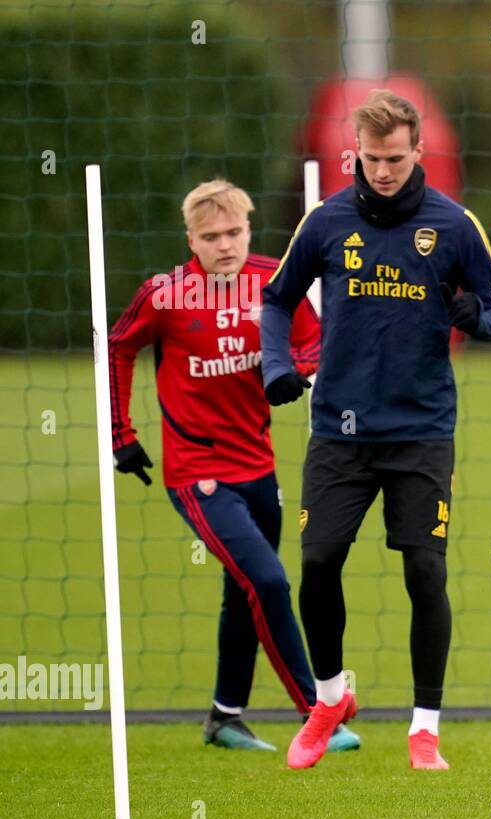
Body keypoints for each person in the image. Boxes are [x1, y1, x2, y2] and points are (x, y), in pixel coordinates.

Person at [260, 89, 491, 771]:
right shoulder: (326, 221)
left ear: (417, 151)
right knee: (317, 562)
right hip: (339, 431)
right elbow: (277, 298)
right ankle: (328, 697)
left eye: (394, 159)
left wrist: (474, 318)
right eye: (371, 159)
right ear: (356, 154)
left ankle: (424, 728)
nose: (382, 171)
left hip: (422, 432)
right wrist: (277, 366)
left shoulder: (456, 225)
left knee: (425, 570)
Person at [109, 178, 359, 754]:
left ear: (249, 230)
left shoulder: (274, 281)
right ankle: (318, 710)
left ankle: (224, 717)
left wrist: (296, 369)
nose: (225, 245)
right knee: (268, 580)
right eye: (211, 236)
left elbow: (314, 344)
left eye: (235, 232)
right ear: (190, 240)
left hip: (259, 469)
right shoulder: (164, 295)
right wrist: (122, 433)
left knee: (243, 588)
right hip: (197, 472)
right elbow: (119, 346)